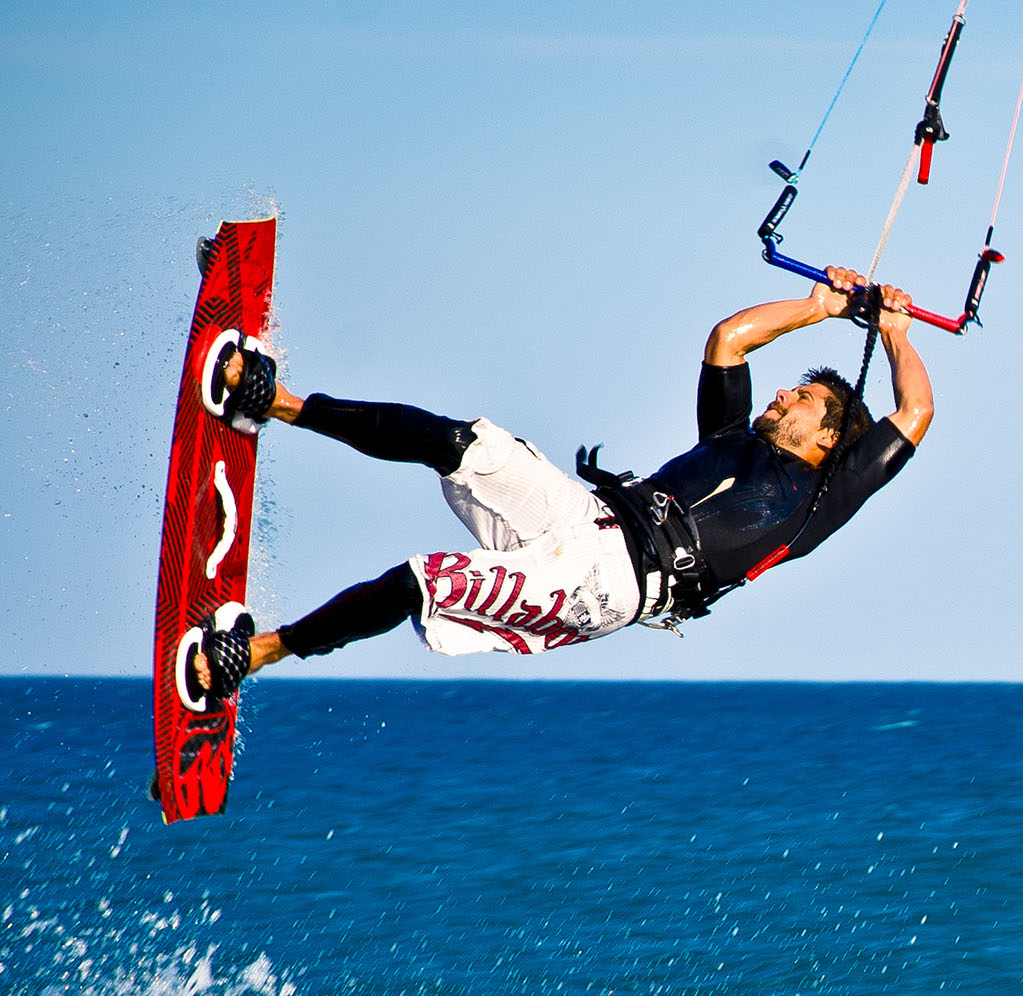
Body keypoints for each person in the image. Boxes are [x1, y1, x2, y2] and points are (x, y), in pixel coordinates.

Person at [186, 266, 930, 700]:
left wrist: (893, 331)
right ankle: (276, 403)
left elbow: (916, 410)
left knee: (422, 582)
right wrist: (818, 309)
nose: (781, 398)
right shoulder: (730, 436)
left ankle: (258, 655)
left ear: (830, 435)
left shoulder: (824, 501)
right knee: (460, 443)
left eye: (800, 401)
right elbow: (728, 337)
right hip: (590, 513)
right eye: (788, 391)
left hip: (610, 583)